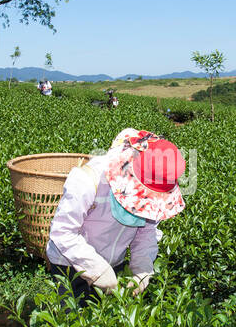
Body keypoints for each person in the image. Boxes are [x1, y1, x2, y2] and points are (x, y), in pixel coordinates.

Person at [46, 129, 185, 303]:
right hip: (69, 262)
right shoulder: (88, 180)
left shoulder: (151, 197)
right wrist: (96, 269)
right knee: (71, 317)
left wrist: (142, 269)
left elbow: (146, 233)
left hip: (114, 263)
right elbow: (63, 232)